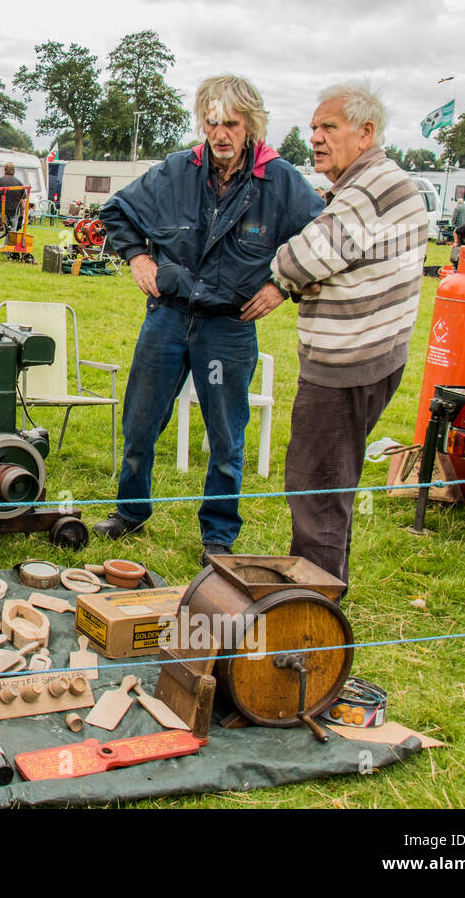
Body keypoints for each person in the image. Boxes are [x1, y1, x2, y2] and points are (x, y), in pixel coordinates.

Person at [94, 74, 324, 565]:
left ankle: (218, 535)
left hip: (229, 326)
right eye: (211, 122)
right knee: (140, 422)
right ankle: (130, 511)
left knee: (225, 434)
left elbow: (323, 236)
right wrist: (138, 258)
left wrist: (282, 285)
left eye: (231, 124)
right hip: (169, 317)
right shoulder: (178, 170)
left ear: (251, 126)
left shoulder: (279, 179)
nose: (220, 133)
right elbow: (116, 210)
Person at [270, 84, 428, 586]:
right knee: (333, 485)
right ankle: (325, 585)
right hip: (375, 354)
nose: (315, 137)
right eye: (314, 127)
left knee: (317, 489)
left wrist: (292, 268)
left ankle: (312, 616)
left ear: (366, 133)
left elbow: (296, 261)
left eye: (327, 128)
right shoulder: (379, 183)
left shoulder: (369, 190)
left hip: (346, 362)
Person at [0, 162, 27, 232]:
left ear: (5, 170)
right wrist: (22, 212)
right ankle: (9, 243)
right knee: (12, 233)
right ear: (13, 171)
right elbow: (23, 201)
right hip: (14, 212)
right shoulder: (19, 183)